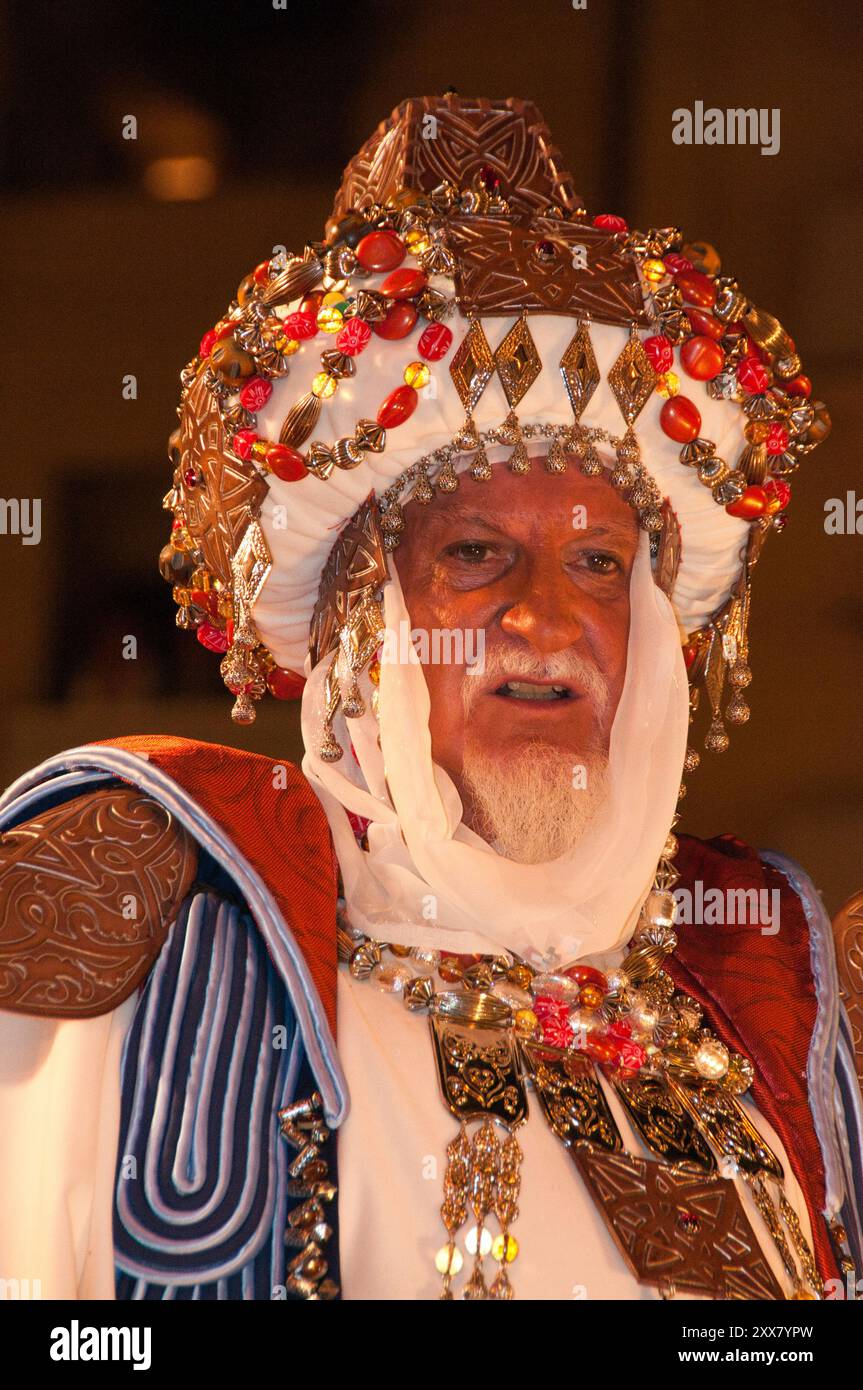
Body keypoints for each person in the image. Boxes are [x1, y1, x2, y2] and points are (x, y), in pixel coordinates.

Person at [0, 93, 858, 1302]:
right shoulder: (157, 908)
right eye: (474, 554)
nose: (550, 618)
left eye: (599, 563)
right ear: (363, 631)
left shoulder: (774, 997)